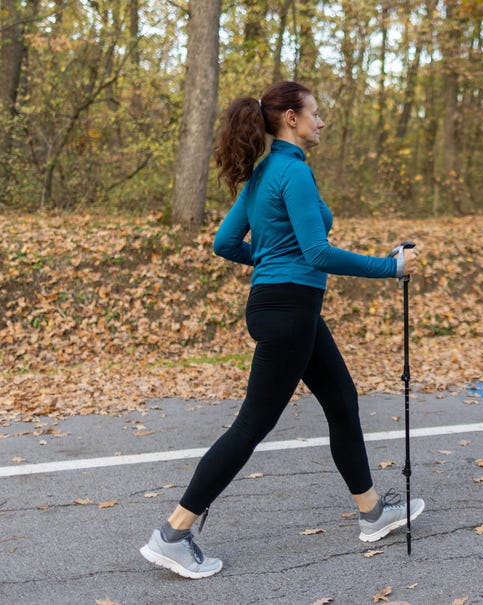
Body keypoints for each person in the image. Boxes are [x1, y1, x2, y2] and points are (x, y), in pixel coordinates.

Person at [140, 80, 423, 579]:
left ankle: (373, 512)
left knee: (342, 400)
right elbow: (315, 253)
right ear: (291, 118)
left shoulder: (264, 174)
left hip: (287, 307)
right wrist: (390, 267)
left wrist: (269, 259)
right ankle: (173, 533)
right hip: (291, 308)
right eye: (315, 113)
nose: (320, 121)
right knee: (252, 424)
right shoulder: (292, 174)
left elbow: (226, 243)